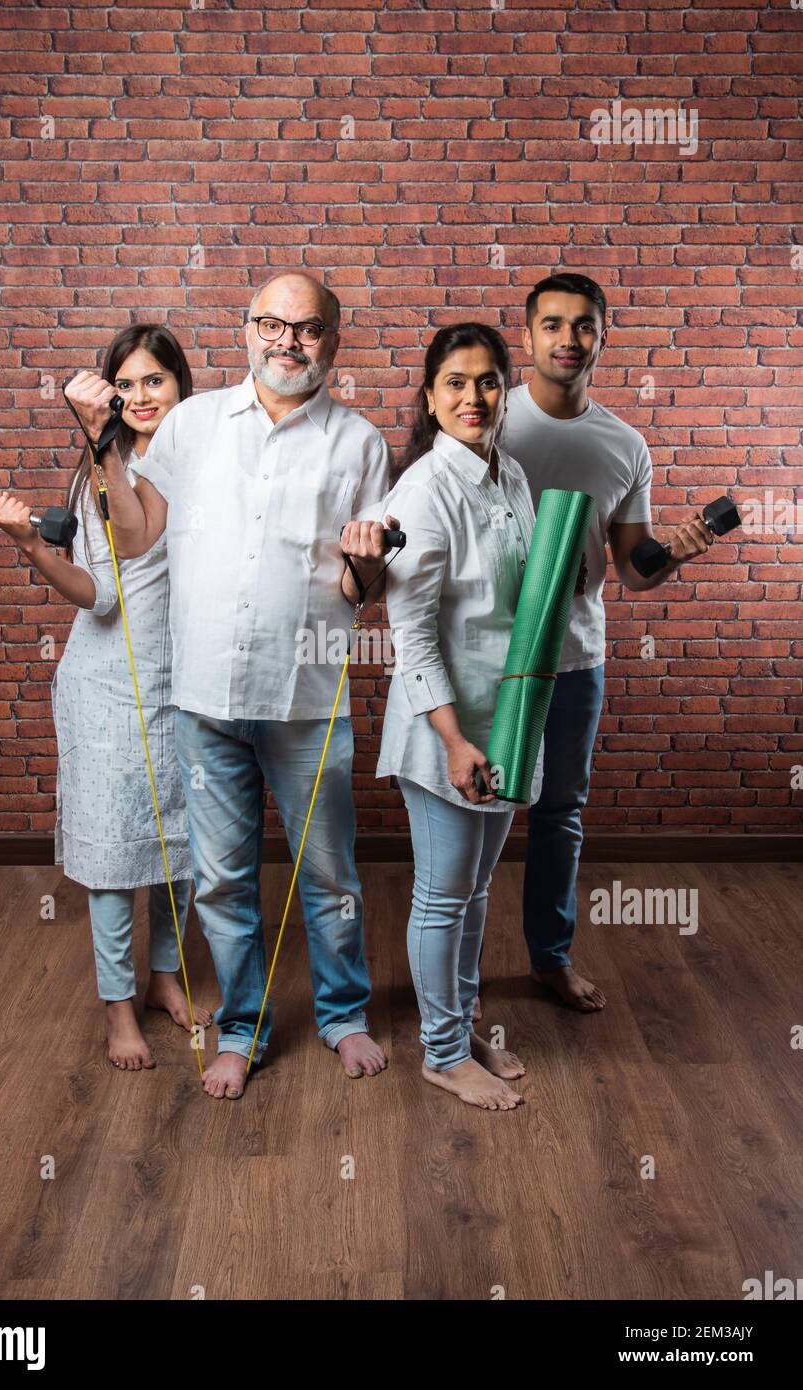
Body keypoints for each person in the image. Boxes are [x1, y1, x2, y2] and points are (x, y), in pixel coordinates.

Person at [63, 273, 395, 1100]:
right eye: (272, 325)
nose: (288, 341)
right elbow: (137, 539)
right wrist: (100, 436)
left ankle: (344, 1015)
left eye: (308, 329)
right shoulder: (189, 424)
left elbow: (364, 593)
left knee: (329, 875)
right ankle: (242, 1029)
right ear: (245, 331)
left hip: (307, 701)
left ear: (332, 343)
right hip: (204, 698)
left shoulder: (359, 443)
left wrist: (367, 561)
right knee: (221, 880)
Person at [0, 325, 213, 1070]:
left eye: (158, 380)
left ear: (182, 387)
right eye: (128, 384)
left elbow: (158, 542)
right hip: (106, 685)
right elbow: (102, 586)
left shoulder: (203, 464)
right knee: (117, 855)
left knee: (183, 849)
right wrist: (32, 548)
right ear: (109, 394)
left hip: (186, 677)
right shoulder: (98, 469)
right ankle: (118, 1009)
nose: (143, 396)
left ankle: (163, 980)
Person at [502, 273, 714, 1012]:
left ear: (602, 335)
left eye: (582, 325)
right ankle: (454, 977)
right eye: (551, 324)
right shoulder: (486, 420)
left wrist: (673, 553)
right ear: (525, 336)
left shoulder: (623, 443)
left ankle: (548, 958)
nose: (567, 339)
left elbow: (631, 569)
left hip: (575, 658)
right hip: (492, 658)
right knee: (481, 811)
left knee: (558, 812)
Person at [367, 323, 557, 1111]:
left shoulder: (510, 473)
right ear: (429, 396)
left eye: (486, 381)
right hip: (444, 726)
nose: (472, 397)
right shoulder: (422, 490)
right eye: (454, 382)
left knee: (476, 891)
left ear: (503, 390)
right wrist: (451, 738)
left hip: (506, 713)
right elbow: (406, 634)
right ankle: (442, 1053)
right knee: (443, 896)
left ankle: (460, 1021)